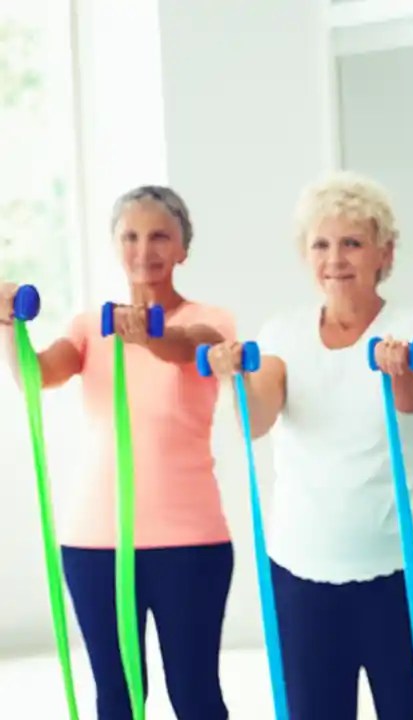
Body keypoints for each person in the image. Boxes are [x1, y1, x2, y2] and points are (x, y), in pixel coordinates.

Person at [202, 171, 413, 718]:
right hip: (302, 575)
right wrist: (231, 379)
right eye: (321, 244)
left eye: (352, 243)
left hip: (405, 571)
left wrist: (399, 372)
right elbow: (256, 419)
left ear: (384, 253)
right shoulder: (282, 332)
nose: (336, 258)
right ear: (305, 255)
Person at [0, 186, 236, 719]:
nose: (143, 249)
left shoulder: (213, 320)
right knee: (118, 698)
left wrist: (147, 335)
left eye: (159, 236)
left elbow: (189, 347)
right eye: (130, 235)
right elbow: (37, 378)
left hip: (190, 543)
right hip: (95, 544)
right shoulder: (90, 326)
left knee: (195, 695)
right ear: (114, 244)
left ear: (183, 248)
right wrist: (7, 325)